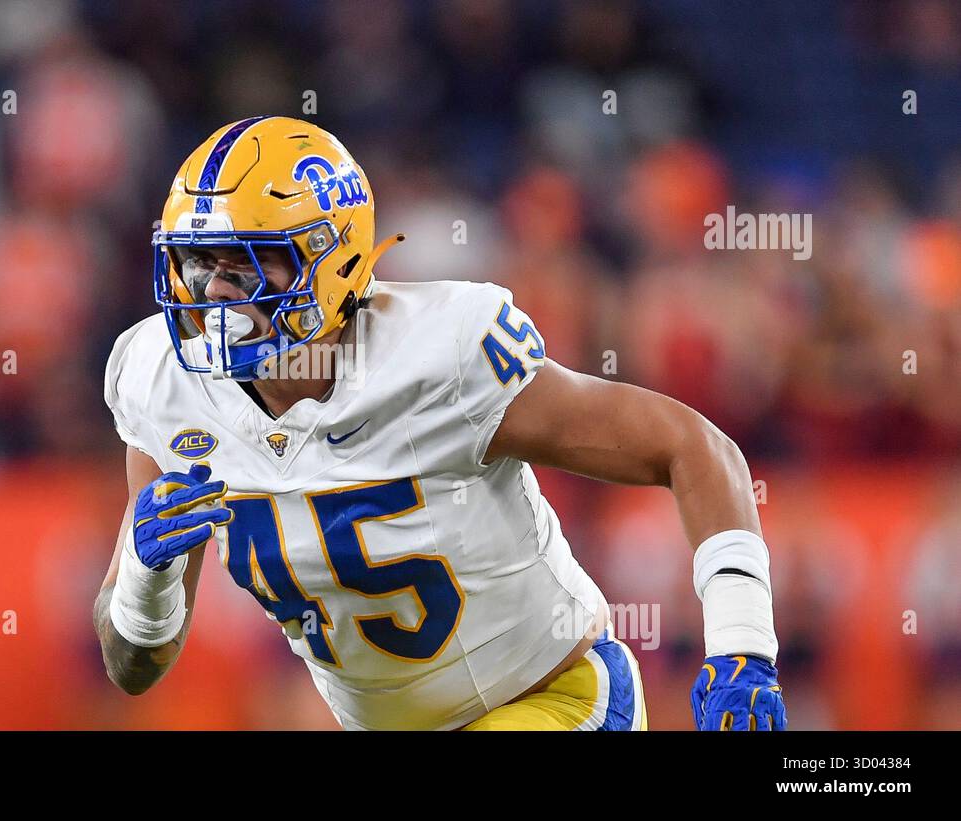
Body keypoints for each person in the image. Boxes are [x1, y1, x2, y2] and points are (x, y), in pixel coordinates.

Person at [95, 116, 785, 731]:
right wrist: (144, 582)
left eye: (247, 262)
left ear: (329, 256)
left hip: (557, 699)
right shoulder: (161, 383)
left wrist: (742, 646)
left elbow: (693, 447)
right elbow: (133, 666)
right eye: (199, 261)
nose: (215, 291)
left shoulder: (441, 354)